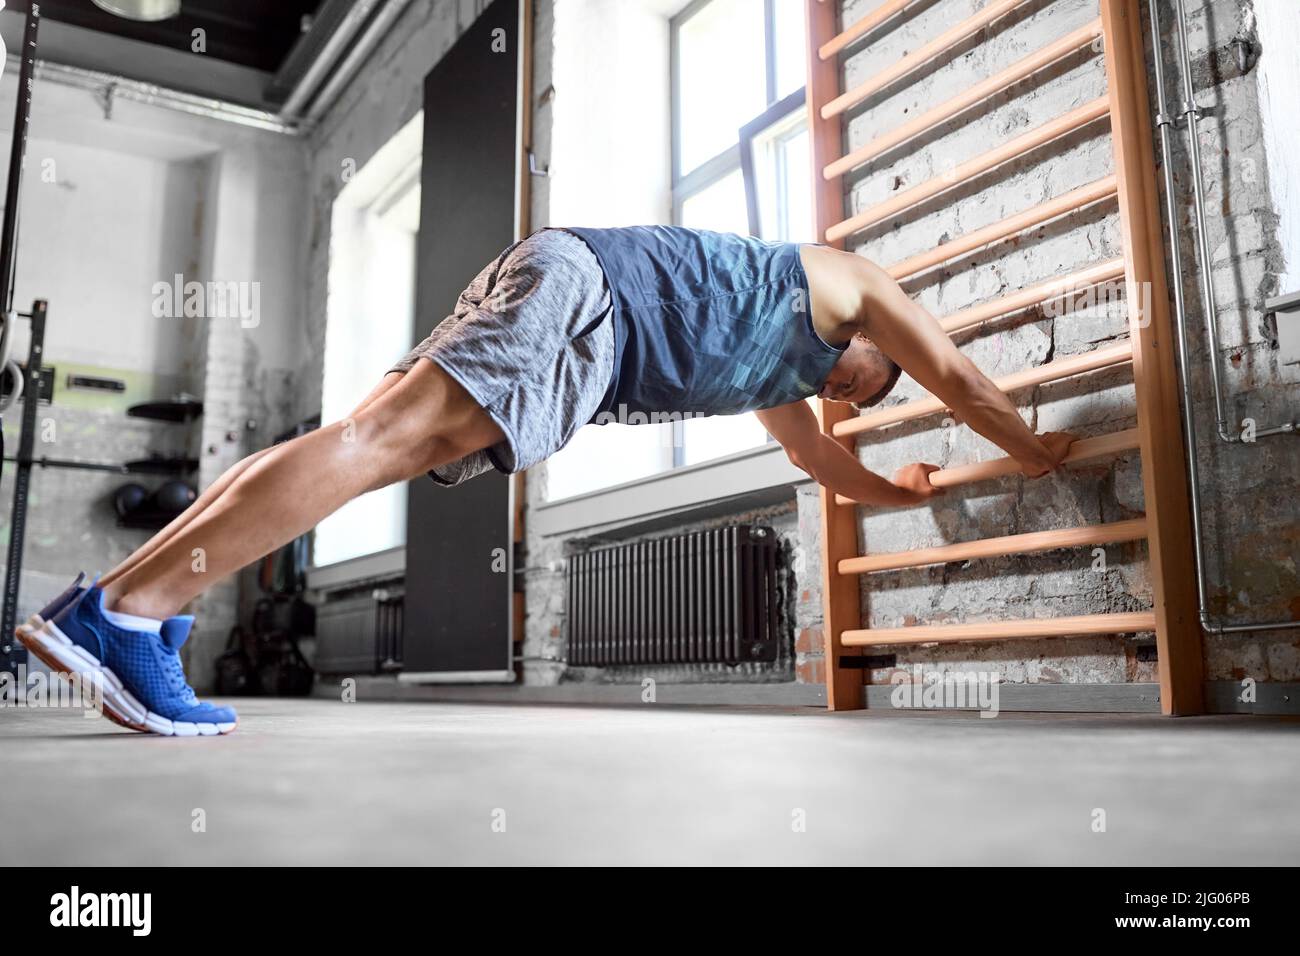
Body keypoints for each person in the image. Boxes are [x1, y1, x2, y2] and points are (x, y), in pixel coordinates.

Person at [17, 226, 1073, 735]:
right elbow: (959, 375)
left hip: (568, 307)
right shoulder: (850, 285)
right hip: (582, 304)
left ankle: (133, 607)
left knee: (363, 439)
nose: (853, 400)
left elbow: (815, 461)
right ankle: (129, 608)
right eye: (866, 389)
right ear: (870, 346)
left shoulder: (773, 364)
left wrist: (910, 488)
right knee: (373, 444)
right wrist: (1033, 455)